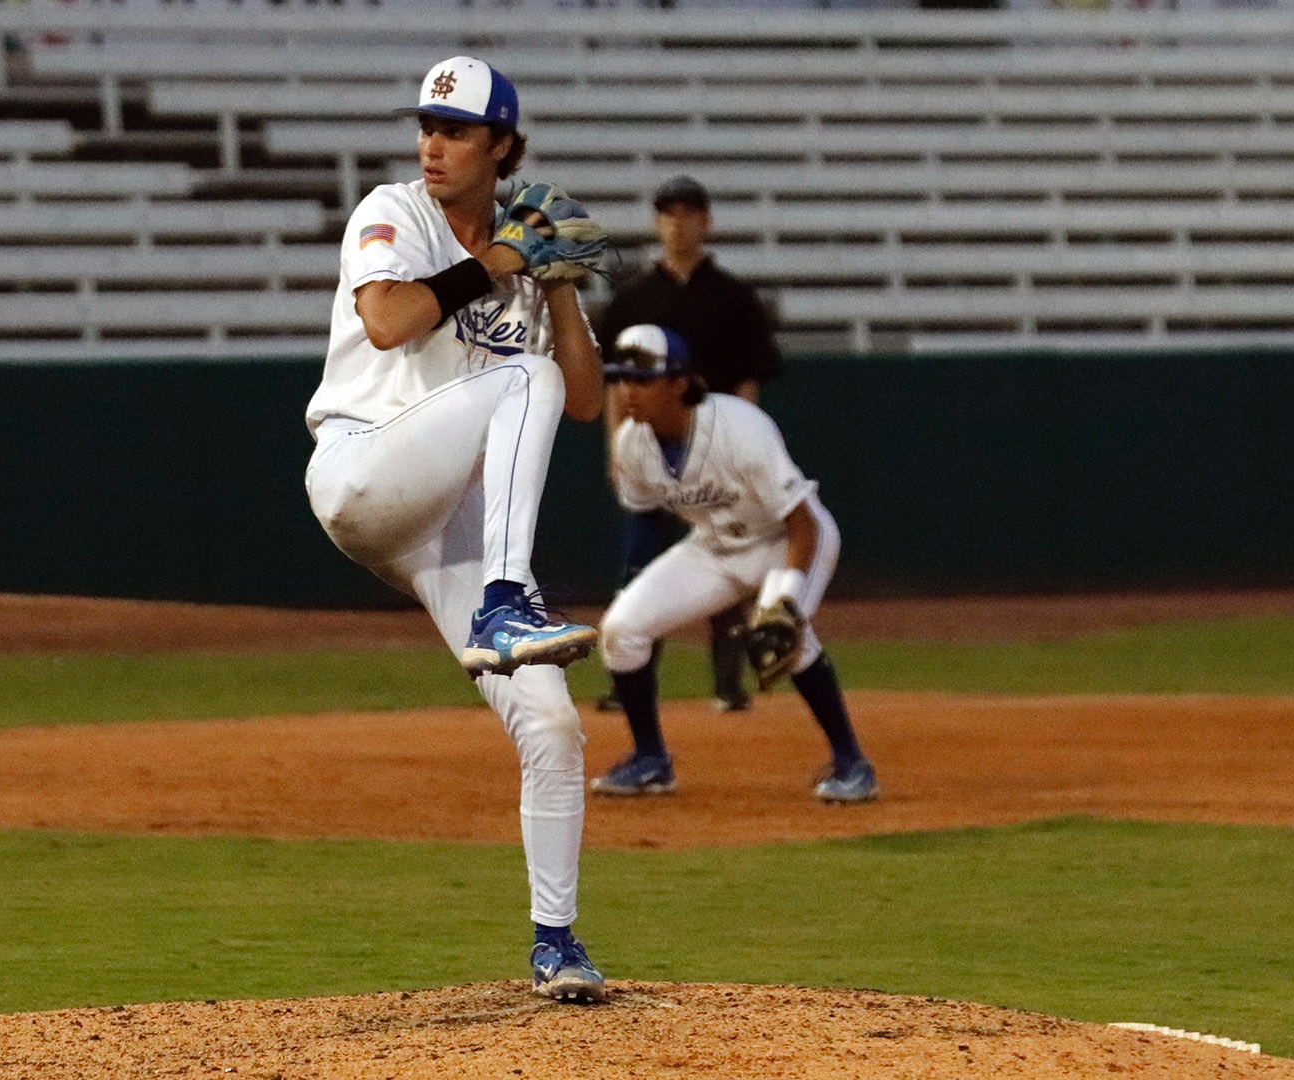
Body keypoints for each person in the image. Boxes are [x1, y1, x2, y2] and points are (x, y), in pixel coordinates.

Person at [302, 56, 610, 1003]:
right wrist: (503, 263)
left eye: (456, 130)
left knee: (553, 724)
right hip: (363, 469)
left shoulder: (520, 261)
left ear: (503, 146)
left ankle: (555, 944)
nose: (431, 143)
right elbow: (391, 321)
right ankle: (506, 604)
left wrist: (553, 283)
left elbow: (591, 402)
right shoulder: (393, 210)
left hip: (445, 517)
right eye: (425, 125)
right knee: (524, 380)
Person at [588, 324, 878, 804]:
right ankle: (650, 760)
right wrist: (634, 586)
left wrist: (785, 597)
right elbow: (644, 524)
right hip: (715, 547)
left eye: (641, 379)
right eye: (620, 378)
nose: (627, 391)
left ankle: (852, 763)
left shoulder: (738, 427)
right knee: (621, 630)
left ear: (679, 382)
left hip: (785, 541)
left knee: (783, 635)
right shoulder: (632, 445)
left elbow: (802, 524)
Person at [594, 174, 785, 715]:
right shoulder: (634, 296)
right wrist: (615, 447)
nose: (678, 223)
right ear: (658, 222)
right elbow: (616, 382)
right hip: (652, 451)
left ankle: (727, 683)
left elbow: (750, 376)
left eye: (688, 213)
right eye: (669, 213)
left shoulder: (732, 296)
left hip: (720, 450)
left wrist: (747, 444)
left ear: (706, 221)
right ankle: (628, 679)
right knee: (641, 564)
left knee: (728, 559)